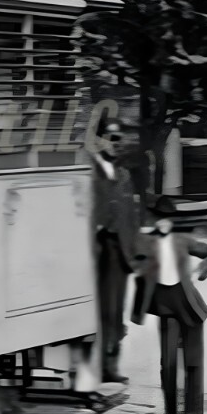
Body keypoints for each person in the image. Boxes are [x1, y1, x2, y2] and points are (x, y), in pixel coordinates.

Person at [130, 195, 207, 414]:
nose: (163, 222)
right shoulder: (144, 241)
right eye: (159, 218)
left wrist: (198, 272)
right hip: (165, 308)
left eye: (167, 218)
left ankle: (190, 412)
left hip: (189, 306)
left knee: (192, 361)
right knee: (169, 364)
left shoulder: (183, 240)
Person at [90, 120, 142, 383]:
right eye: (112, 138)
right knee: (97, 311)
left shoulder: (124, 175)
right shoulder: (88, 172)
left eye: (119, 139)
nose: (117, 143)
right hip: (98, 250)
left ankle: (111, 366)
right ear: (99, 140)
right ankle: (95, 367)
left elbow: (132, 218)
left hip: (119, 252)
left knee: (115, 312)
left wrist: (135, 252)